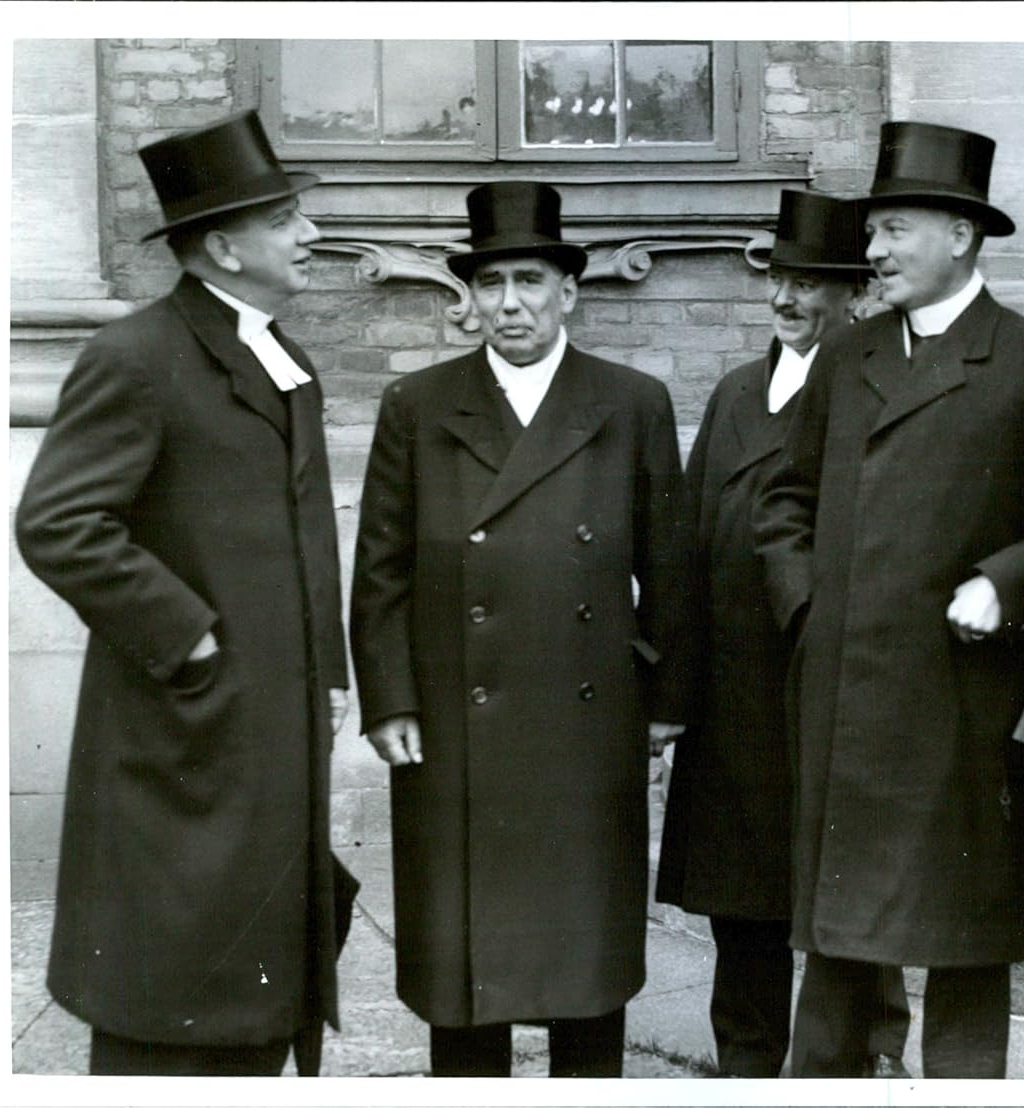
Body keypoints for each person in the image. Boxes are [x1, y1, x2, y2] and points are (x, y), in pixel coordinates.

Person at [753, 121, 1024, 1078]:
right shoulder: (848, 355)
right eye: (873, 231)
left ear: (961, 234)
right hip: (844, 694)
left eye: (895, 229)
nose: (873, 250)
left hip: (964, 703)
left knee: (965, 948)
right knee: (835, 949)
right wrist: (809, 609)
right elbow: (785, 500)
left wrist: (1007, 580)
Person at [14, 110, 353, 1076]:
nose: (310, 235)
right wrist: (192, 640)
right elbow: (58, 523)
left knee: (255, 987)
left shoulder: (283, 359)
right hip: (183, 734)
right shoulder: (137, 355)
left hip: (272, 730)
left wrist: (326, 672)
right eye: (284, 220)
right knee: (169, 994)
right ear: (223, 248)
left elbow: (303, 535)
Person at [349, 180, 689, 1078]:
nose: (510, 304)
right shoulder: (419, 404)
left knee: (585, 969)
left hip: (589, 720)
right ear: (469, 297)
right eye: (491, 283)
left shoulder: (631, 402)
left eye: (530, 281)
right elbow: (380, 569)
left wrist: (665, 702)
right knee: (466, 973)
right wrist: (389, 699)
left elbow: (671, 568)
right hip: (456, 726)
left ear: (568, 291)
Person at [656, 189, 911, 1078]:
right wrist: (672, 695)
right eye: (777, 279)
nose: (783, 298)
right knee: (743, 912)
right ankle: (749, 1070)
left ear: (855, 295)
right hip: (734, 706)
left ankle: (862, 1061)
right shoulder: (736, 393)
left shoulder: (880, 390)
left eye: (807, 283)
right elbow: (687, 550)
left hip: (826, 693)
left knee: (847, 907)